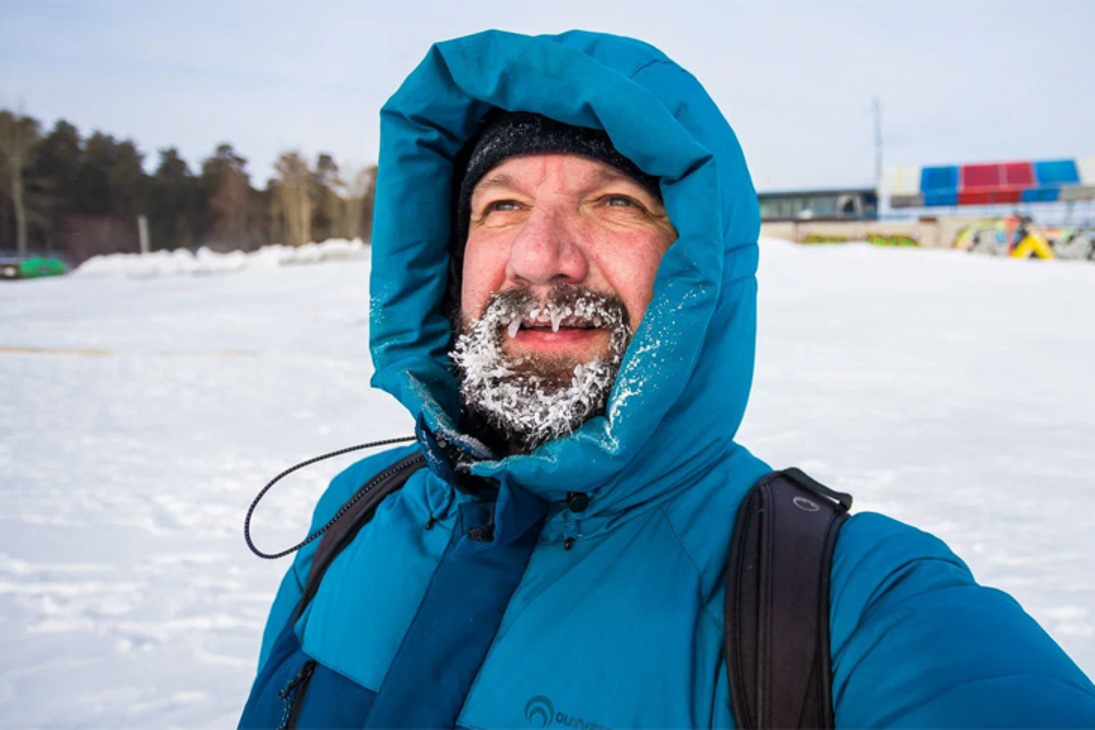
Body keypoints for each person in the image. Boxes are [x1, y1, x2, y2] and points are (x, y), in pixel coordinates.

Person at [241, 30, 1095, 728]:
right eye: (500, 206)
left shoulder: (838, 604)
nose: (540, 257)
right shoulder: (356, 513)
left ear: (696, 264)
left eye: (613, 203)